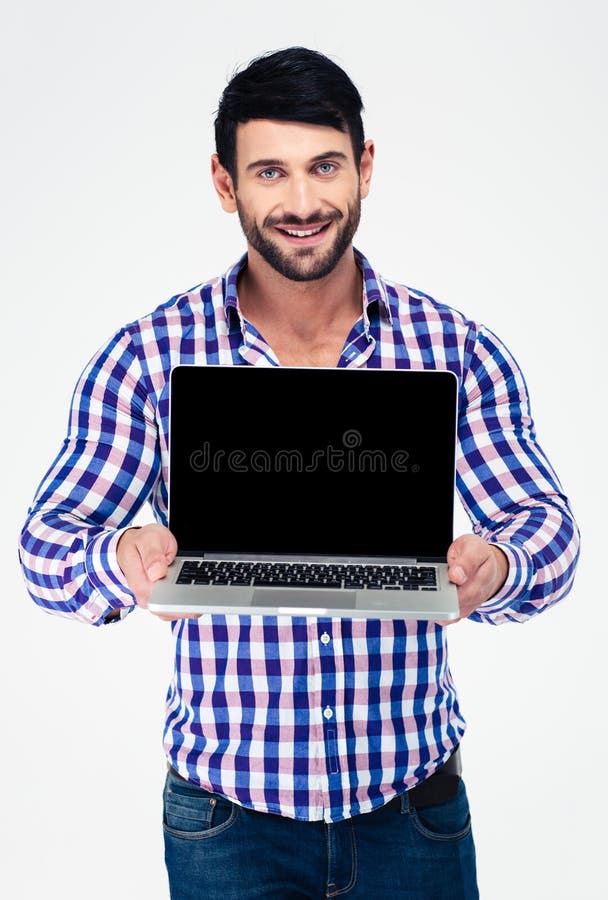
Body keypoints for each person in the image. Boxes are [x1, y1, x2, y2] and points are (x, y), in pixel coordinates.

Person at [19, 47, 580, 900]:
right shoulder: (147, 356)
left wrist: (498, 566)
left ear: (364, 167)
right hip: (226, 825)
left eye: (325, 166)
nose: (304, 202)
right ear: (224, 182)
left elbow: (549, 528)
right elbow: (46, 546)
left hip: (415, 817)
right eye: (270, 171)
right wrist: (120, 557)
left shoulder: (454, 348)